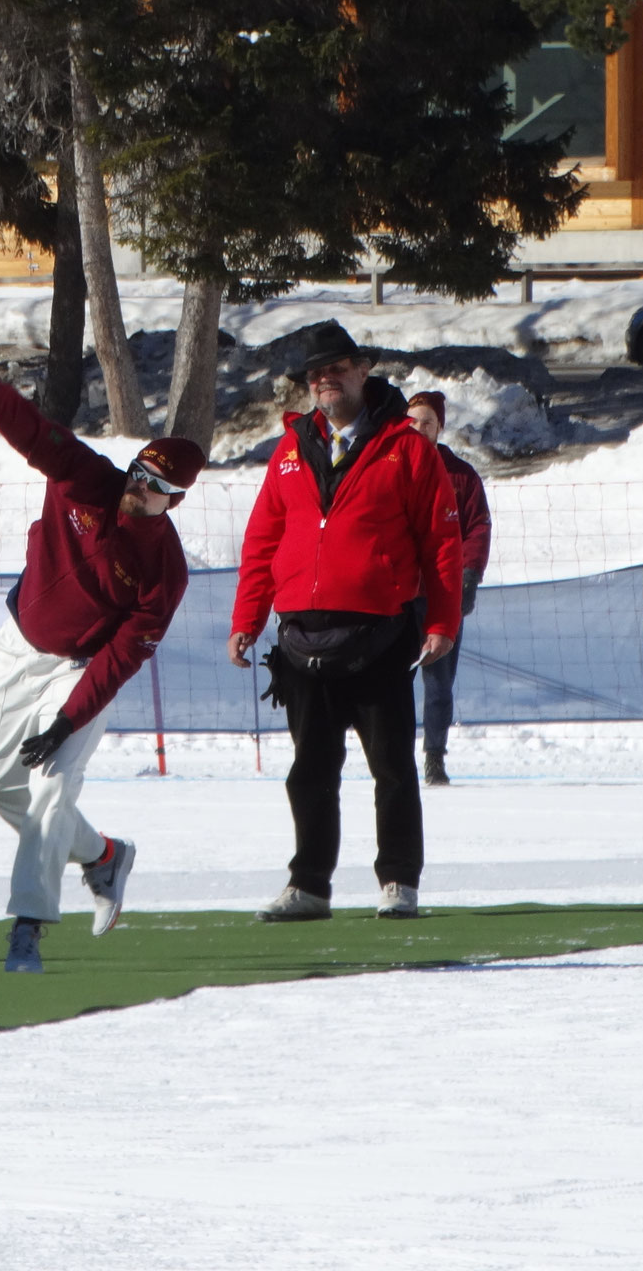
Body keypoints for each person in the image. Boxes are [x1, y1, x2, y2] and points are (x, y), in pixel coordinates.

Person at [0, 373, 203, 973]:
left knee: (51, 790)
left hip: (78, 673)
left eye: (156, 484)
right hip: (19, 648)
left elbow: (122, 657)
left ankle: (27, 929)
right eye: (140, 471)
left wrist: (65, 723)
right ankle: (103, 854)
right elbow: (41, 437)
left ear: (176, 499)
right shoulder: (89, 480)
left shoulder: (165, 570)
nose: (140, 486)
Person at [227, 323, 460, 921]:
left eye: (335, 369)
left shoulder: (407, 447)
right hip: (301, 638)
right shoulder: (288, 450)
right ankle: (308, 886)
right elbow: (262, 540)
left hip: (380, 634)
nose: (324, 381)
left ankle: (399, 882)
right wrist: (247, 618)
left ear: (362, 371)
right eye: (314, 374)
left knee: (392, 770)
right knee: (309, 772)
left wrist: (442, 620)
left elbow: (441, 540)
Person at [404, 390, 491, 786]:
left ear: (440, 427)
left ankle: (434, 756)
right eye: (413, 421)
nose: (419, 428)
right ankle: (394, 754)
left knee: (438, 684)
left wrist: (469, 573)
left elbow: (477, 528)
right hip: (399, 595)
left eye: (428, 421)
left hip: (442, 594)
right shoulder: (392, 467)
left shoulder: (461, 476)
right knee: (394, 683)